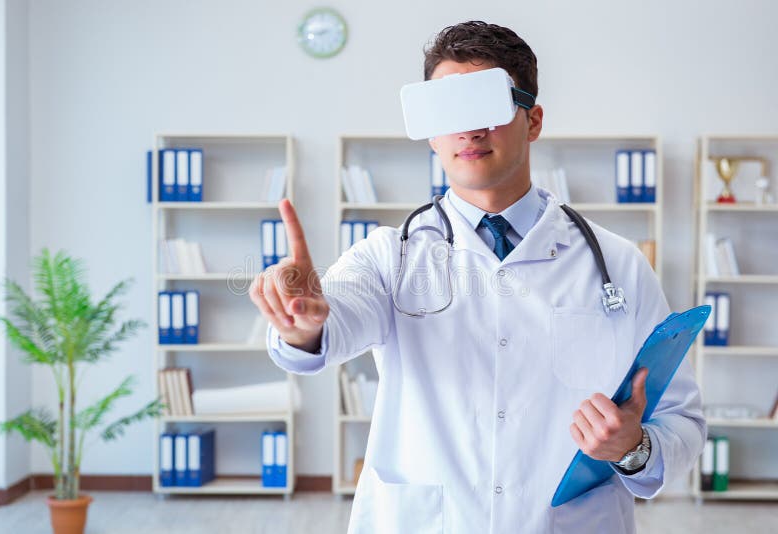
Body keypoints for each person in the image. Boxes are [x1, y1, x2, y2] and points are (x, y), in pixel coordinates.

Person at [250, 20, 706, 534]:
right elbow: (330, 326)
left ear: (532, 121)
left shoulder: (618, 265)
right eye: (448, 112)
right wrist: (302, 325)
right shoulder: (388, 255)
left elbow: (681, 421)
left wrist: (633, 447)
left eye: (487, 106)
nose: (468, 130)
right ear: (430, 134)